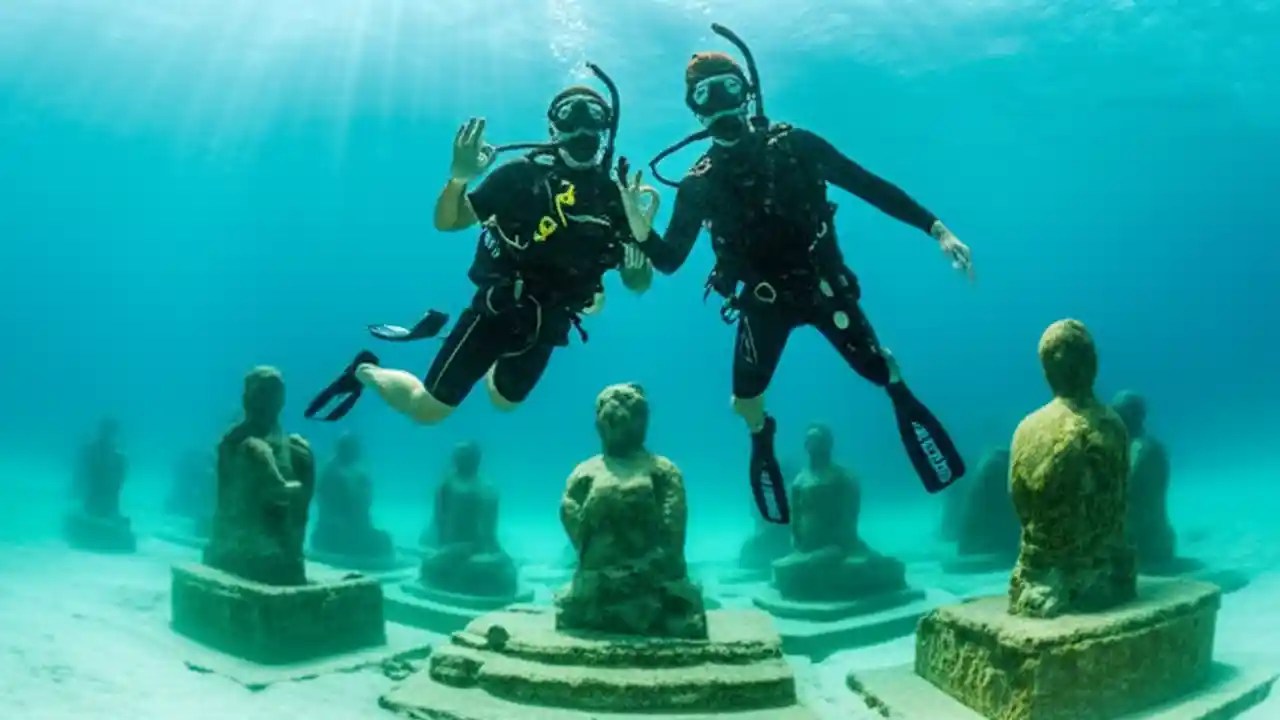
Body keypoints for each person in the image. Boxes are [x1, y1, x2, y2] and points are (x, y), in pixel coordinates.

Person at [617, 25, 972, 524]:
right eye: (706, 96)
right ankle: (762, 433)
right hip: (762, 305)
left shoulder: (796, 146)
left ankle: (895, 386)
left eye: (729, 90)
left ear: (748, 95)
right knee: (744, 403)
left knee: (877, 371)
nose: (720, 105)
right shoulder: (698, 183)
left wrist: (938, 230)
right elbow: (669, 260)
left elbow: (869, 185)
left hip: (824, 287)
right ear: (694, 109)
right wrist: (639, 229)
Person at [306, 66, 659, 425]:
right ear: (553, 129)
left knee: (504, 402)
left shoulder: (619, 198)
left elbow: (638, 283)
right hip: (496, 312)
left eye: (593, 119)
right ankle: (364, 369)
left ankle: (478, 357)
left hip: (552, 321)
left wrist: (637, 272)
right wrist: (459, 179)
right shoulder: (520, 176)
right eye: (569, 118)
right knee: (428, 412)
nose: (581, 131)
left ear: (606, 129)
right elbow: (448, 221)